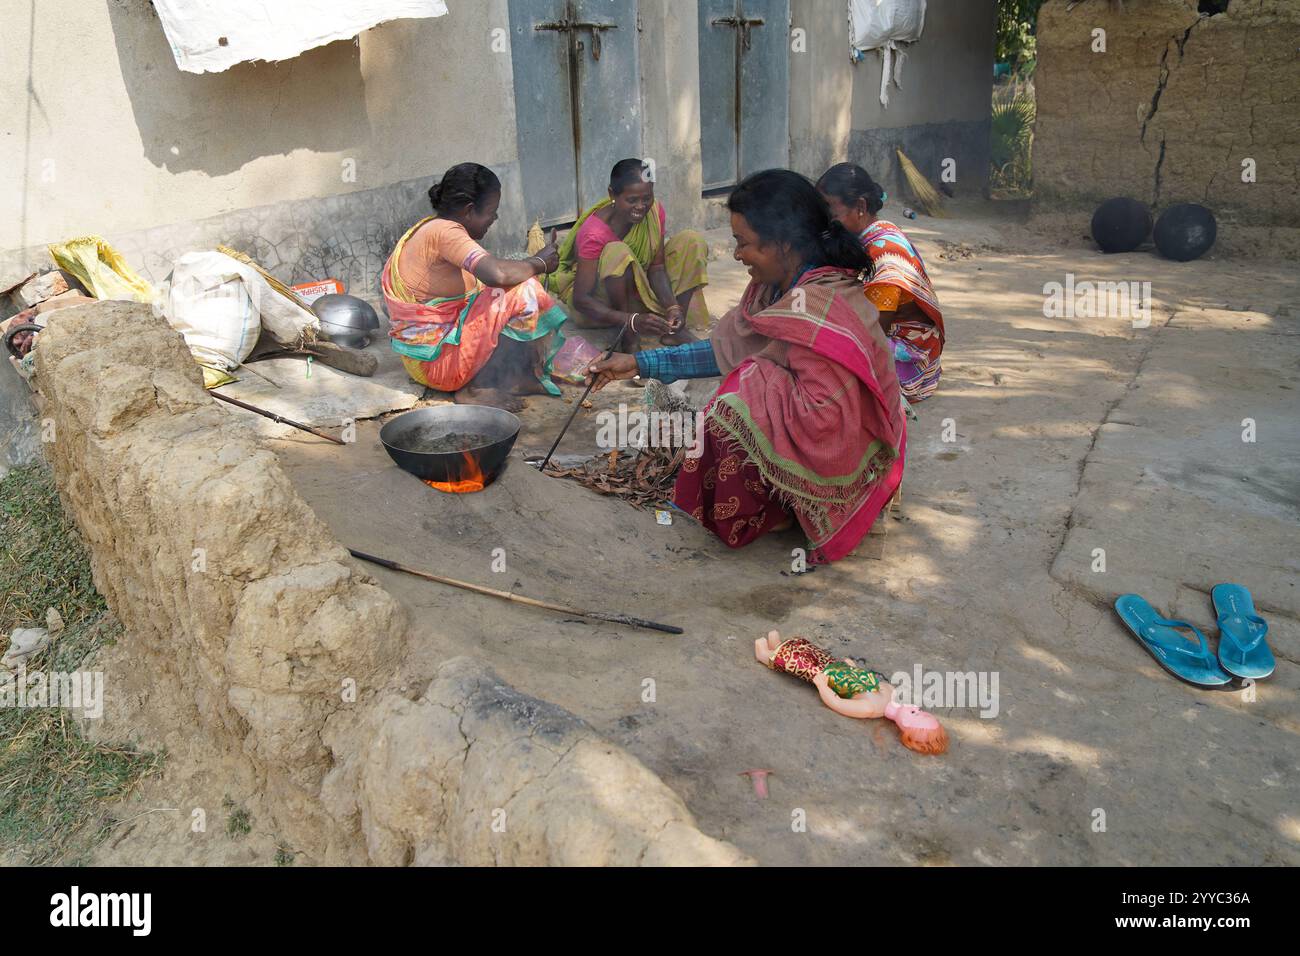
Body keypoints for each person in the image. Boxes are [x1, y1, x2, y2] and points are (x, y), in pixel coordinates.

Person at [586, 169, 905, 564]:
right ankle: (781, 500)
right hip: (815, 423)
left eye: (743, 243)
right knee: (747, 381)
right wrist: (636, 363)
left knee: (745, 391)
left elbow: (833, 411)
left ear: (783, 244)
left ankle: (802, 507)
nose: (736, 255)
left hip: (848, 448)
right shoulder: (771, 289)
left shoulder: (823, 300)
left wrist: (754, 390)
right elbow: (722, 352)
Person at [382, 162, 568, 412]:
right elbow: (497, 274)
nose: (495, 218)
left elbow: (495, 275)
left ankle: (516, 376)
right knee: (523, 290)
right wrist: (539, 263)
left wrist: (532, 264)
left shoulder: (432, 228)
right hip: (438, 365)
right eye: (492, 211)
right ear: (469, 210)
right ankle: (476, 388)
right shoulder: (446, 232)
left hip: (429, 360)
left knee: (511, 285)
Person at [545, 159, 710, 351]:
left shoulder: (654, 212)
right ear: (612, 194)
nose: (641, 206)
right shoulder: (594, 233)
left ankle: (674, 329)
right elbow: (581, 300)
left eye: (646, 198)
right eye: (632, 200)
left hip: (640, 297)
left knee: (692, 241)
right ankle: (627, 335)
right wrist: (630, 320)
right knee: (617, 251)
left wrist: (673, 308)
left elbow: (657, 268)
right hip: (603, 308)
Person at [816, 163, 945, 402]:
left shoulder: (884, 259)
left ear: (861, 207)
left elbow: (871, 335)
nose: (827, 223)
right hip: (901, 337)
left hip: (909, 356)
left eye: (832, 215)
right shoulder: (877, 233)